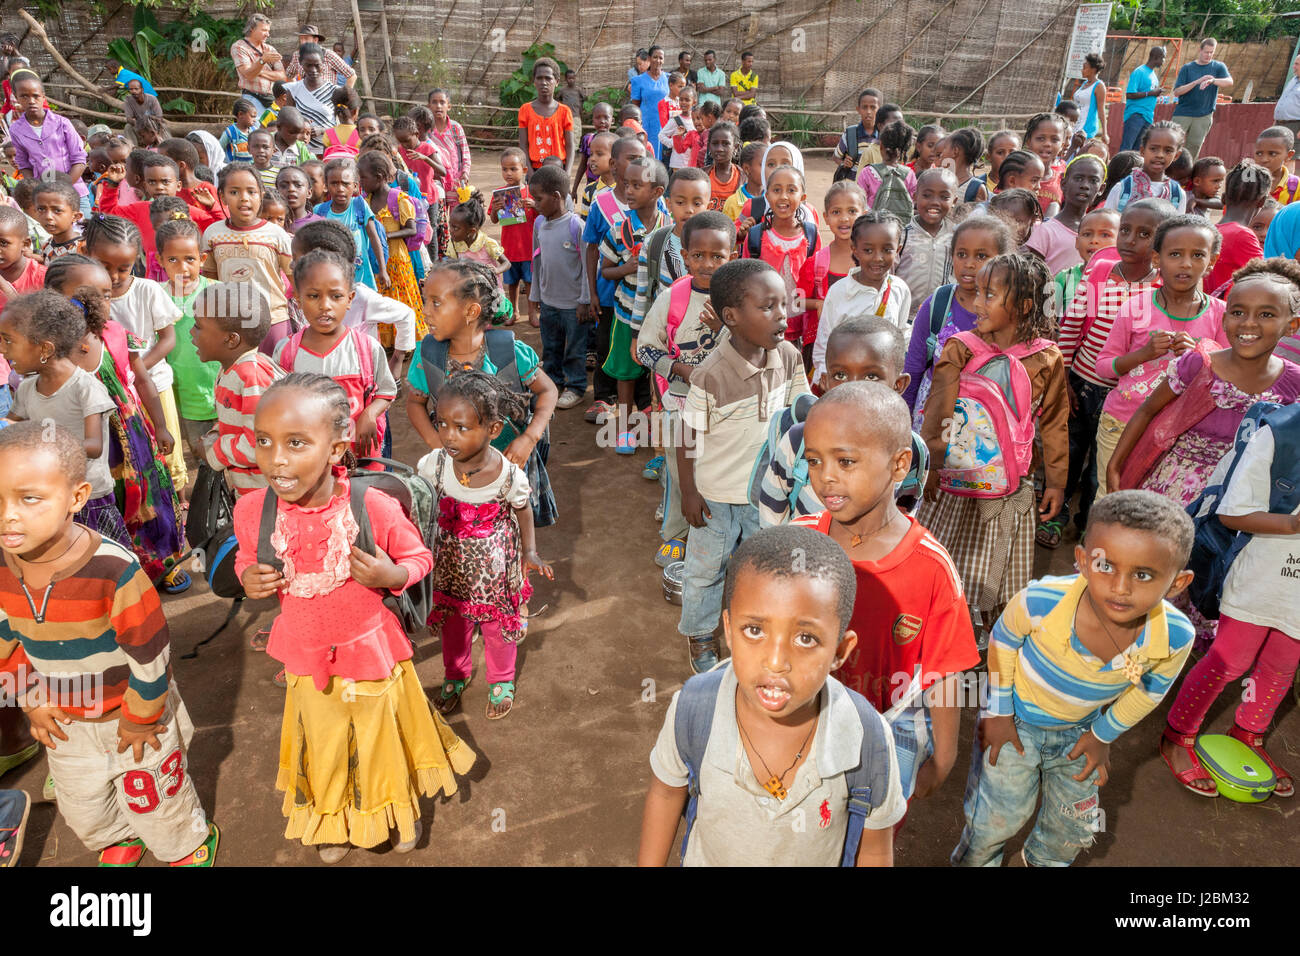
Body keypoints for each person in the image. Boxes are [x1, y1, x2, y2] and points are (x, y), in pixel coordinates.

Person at [234, 373, 473, 862]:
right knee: (323, 744)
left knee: (379, 742)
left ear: (338, 447)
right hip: (305, 657)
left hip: (371, 653)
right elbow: (245, 558)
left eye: (296, 443)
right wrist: (247, 577)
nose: (276, 459)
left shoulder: (372, 507)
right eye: (264, 441)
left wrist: (392, 572)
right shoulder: (253, 509)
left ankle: (397, 814)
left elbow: (420, 558)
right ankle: (335, 821)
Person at [0, 421, 220, 866]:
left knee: (154, 793)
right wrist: (29, 701)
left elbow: (151, 656)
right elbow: (7, 643)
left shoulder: (112, 571)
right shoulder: (3, 569)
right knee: (82, 801)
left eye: (29, 498)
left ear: (76, 498)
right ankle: (118, 837)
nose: (8, 515)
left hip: (132, 710)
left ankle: (187, 842)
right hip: (62, 714)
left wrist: (141, 718)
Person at [637, 523, 905, 866]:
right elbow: (665, 792)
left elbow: (874, 850)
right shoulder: (694, 710)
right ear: (729, 630)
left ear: (840, 651)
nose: (776, 662)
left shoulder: (866, 739)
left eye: (805, 638)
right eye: (754, 630)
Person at [952, 490, 1195, 867]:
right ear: (1082, 561)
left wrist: (1101, 736)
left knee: (1072, 829)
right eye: (1105, 565)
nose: (1120, 587)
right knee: (995, 820)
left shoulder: (1175, 636)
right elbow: (1002, 639)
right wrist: (998, 713)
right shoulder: (1040, 600)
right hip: (1014, 721)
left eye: (1143, 575)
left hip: (1081, 732)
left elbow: (1149, 693)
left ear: (1177, 584)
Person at [795, 381, 976, 805]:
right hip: (803, 722)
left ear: (899, 466)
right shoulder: (796, 544)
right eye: (815, 461)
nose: (826, 478)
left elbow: (943, 673)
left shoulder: (931, 567)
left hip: (888, 730)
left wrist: (945, 757)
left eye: (845, 461)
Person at [1158, 260, 1300, 797]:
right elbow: (1232, 513)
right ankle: (1178, 735)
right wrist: (1293, 524)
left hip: (1296, 588)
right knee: (1230, 656)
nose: (1249, 320)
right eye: (1240, 310)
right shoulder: (1278, 432)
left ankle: (1250, 736)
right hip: (1259, 568)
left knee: (1283, 661)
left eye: (1267, 313)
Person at [917, 253, 1067, 641]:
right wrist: (932, 467)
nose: (977, 302)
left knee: (996, 563)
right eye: (977, 292)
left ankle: (985, 627)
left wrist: (1056, 482)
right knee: (943, 555)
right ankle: (939, 616)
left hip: (1011, 484)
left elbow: (1053, 422)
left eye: (989, 295)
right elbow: (938, 415)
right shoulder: (959, 347)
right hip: (953, 479)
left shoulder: (1047, 358)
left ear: (1025, 306)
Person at [676, 259, 810, 672]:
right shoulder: (710, 375)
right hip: (715, 498)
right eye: (768, 306)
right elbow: (685, 437)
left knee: (763, 570)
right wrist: (689, 494)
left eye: (783, 304)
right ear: (732, 317)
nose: (782, 315)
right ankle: (700, 634)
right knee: (705, 571)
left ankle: (755, 632)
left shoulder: (788, 357)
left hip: (768, 498)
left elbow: (804, 413)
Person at [419, 370, 553, 721]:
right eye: (442, 424)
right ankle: (456, 674)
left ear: (493, 430)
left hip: (496, 570)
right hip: (450, 567)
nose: (448, 435)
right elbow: (421, 507)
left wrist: (529, 552)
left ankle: (501, 679)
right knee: (454, 623)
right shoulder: (432, 466)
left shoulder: (509, 474)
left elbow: (523, 511)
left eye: (461, 427)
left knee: (498, 627)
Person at [45, 256, 186, 586]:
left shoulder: (117, 334)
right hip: (85, 447)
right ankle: (115, 576)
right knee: (99, 509)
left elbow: (142, 381)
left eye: (106, 294)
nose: (98, 303)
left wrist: (162, 425)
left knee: (150, 501)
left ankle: (160, 562)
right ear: (54, 299)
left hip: (134, 441)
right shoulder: (48, 350)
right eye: (85, 295)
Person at [406, 259, 559, 528]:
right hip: (455, 471)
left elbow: (548, 391)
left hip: (508, 468)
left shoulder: (508, 354)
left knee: (511, 529)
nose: (425, 310)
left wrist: (528, 439)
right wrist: (437, 444)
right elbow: (415, 403)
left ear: (471, 311)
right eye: (425, 301)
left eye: (436, 302)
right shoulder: (428, 356)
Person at [1063, 199, 1176, 509]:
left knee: (1105, 463)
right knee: (1071, 449)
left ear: (1162, 242)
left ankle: (1091, 520)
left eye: (1144, 233)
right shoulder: (1099, 270)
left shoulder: (1162, 286)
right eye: (1125, 229)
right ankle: (1056, 513)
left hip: (1124, 393)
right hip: (1083, 382)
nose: (1129, 239)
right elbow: (1073, 323)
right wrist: (1064, 377)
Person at [636, 210, 733, 564]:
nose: (707, 263)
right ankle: (676, 532)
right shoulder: (672, 298)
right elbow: (645, 350)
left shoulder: (737, 300)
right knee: (681, 469)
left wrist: (726, 324)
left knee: (718, 465)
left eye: (717, 256)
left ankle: (715, 528)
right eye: (698, 255)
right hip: (679, 400)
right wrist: (680, 369)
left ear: (731, 257)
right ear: (685, 255)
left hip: (726, 404)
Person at [762, 318, 928, 525]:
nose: (854, 388)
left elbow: (903, 512)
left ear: (898, 384)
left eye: (871, 377)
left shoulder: (911, 449)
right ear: (825, 382)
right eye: (840, 375)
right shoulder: (800, 440)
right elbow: (771, 510)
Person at [0, 290, 125, 546]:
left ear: (45, 348)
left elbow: (93, 446)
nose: (2, 350)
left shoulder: (85, 389)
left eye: (8, 341)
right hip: (48, 497)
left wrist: (38, 445)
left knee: (100, 563)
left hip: (88, 499)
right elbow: (10, 428)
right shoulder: (26, 388)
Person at [902, 216, 1015, 417]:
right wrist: (903, 419)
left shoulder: (1009, 312)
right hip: (932, 415)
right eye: (961, 254)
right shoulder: (938, 303)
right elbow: (913, 367)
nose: (969, 264)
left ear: (1002, 260)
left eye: (981, 256)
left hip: (984, 422)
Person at [600, 155, 667, 452]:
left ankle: (655, 428)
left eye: (637, 185)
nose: (628, 190)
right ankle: (626, 429)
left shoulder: (671, 229)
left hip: (664, 317)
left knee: (660, 374)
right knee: (626, 375)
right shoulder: (618, 230)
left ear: (657, 192)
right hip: (627, 314)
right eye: (627, 183)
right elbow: (605, 270)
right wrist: (626, 268)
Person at [192, 281, 282, 497]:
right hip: (249, 489)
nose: (191, 332)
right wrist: (216, 432)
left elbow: (259, 444)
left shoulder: (251, 377)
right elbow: (240, 420)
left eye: (198, 326)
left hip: (266, 496)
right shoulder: (234, 369)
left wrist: (214, 451)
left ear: (231, 339)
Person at [203, 165, 295, 356]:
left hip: (273, 320)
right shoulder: (213, 234)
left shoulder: (276, 235)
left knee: (275, 377)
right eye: (234, 192)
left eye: (251, 192)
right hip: (232, 323)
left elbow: (294, 277)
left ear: (261, 195)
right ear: (222, 196)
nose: (244, 198)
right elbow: (211, 282)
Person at [811, 212, 909, 378]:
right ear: (855, 250)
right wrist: (825, 378)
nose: (878, 258)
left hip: (881, 383)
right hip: (846, 382)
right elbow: (824, 343)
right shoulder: (839, 292)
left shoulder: (900, 289)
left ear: (898, 250)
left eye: (887, 250)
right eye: (868, 250)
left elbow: (900, 336)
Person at [154, 217, 219, 462]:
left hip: (218, 387)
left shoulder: (217, 291)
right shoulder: (155, 296)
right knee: (200, 452)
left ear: (202, 259)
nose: (182, 267)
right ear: (160, 260)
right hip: (183, 393)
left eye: (190, 259)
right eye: (173, 259)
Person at [528, 164, 591, 409]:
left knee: (575, 349)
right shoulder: (539, 224)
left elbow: (587, 267)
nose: (535, 203)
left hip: (573, 305)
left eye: (538, 198)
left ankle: (575, 386)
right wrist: (535, 297)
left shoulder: (577, 226)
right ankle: (552, 384)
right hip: (549, 301)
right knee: (551, 348)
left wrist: (584, 301)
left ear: (556, 197)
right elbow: (538, 261)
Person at [357, 151, 423, 332]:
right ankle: (387, 341)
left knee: (401, 301)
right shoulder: (365, 201)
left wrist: (383, 236)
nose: (360, 182)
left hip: (398, 262)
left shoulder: (398, 199)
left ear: (378, 177)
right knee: (382, 302)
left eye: (363, 178)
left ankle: (406, 339)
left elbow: (412, 229)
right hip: (377, 263)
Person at [8, 72, 89, 212]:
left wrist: (65, 187)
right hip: (44, 199)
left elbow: (79, 159)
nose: (31, 101)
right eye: (24, 96)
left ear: (43, 96)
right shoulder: (16, 129)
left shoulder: (62, 123)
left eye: (35, 96)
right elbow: (23, 163)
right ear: (16, 97)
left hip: (75, 193)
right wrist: (34, 187)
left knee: (84, 229)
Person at [1025, 154, 1107, 274]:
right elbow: (1032, 276)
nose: (1085, 185)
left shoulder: (1101, 233)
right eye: (1078, 178)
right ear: (1063, 184)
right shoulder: (1046, 230)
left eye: (1093, 180)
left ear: (1101, 189)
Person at [897, 168, 957, 319]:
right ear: (915, 196)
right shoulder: (902, 235)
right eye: (927, 195)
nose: (935, 202)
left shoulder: (956, 237)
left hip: (940, 316)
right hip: (904, 316)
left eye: (944, 197)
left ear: (954, 201)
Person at [1205, 160, 1269, 294]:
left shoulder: (1210, 230)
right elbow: (1268, 277)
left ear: (1223, 199)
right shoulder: (1242, 235)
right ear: (1262, 201)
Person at [490, 147, 536, 323]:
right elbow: (494, 220)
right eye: (504, 169)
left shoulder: (531, 193)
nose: (508, 173)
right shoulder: (499, 194)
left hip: (528, 247)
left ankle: (532, 313)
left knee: (530, 282)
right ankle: (514, 311)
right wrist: (495, 209)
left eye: (513, 169)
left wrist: (534, 205)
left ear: (524, 170)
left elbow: (541, 217)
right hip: (509, 248)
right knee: (512, 282)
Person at [1104, 121, 1187, 213]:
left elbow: (1177, 226)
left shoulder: (1178, 195)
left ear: (1176, 155)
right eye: (1153, 149)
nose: (1160, 155)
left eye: (1168, 150)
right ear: (1142, 151)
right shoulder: (1122, 189)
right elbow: (1108, 223)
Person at [1171, 38, 1232, 159]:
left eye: (1211, 52)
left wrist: (1213, 81)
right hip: (1183, 112)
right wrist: (1196, 82)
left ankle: (1188, 173)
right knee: (1173, 143)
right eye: (1206, 52)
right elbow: (1177, 91)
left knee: (1194, 147)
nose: (1208, 55)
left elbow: (1229, 82)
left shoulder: (1218, 67)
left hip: (1204, 114)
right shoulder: (1187, 68)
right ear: (1200, 50)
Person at [517, 57, 575, 173]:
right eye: (539, 78)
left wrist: (567, 174)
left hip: (559, 169)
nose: (543, 82)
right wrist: (530, 173)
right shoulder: (525, 110)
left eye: (548, 78)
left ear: (557, 81)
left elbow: (570, 146)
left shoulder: (565, 111)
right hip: (534, 169)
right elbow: (523, 145)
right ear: (534, 81)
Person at [285, 43, 337, 156]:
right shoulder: (293, 90)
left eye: (317, 65)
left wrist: (323, 130)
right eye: (308, 65)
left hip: (328, 151)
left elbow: (344, 126)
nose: (313, 70)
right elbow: (287, 122)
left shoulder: (334, 91)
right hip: (300, 152)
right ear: (301, 64)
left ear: (323, 64)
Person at [231, 13, 286, 109]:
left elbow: (282, 77)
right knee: (255, 124)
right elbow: (249, 75)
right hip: (251, 97)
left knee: (275, 124)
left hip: (272, 98)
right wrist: (262, 60)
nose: (267, 34)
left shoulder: (270, 48)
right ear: (252, 29)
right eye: (264, 30)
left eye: (268, 31)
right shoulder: (239, 47)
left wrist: (258, 71)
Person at [1122, 46, 1167, 152]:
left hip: (1147, 117)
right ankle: (1121, 168)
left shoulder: (1154, 76)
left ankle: (1133, 169)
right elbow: (1130, 94)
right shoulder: (1139, 72)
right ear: (1156, 57)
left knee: (1138, 150)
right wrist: (1150, 93)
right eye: (1163, 58)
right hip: (1136, 115)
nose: (1164, 61)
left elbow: (1149, 93)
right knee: (1127, 148)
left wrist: (1155, 94)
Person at [1023, 112, 1069, 216]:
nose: (1047, 144)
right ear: (1028, 142)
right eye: (1040, 138)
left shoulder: (1064, 177)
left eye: (1054, 140)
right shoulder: (1017, 174)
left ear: (1062, 145)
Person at [283, 24, 356, 88]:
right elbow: (289, 75)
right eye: (301, 39)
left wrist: (344, 96)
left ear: (315, 40)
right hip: (306, 101)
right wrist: (295, 93)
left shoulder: (328, 55)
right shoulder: (297, 55)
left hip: (327, 100)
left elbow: (352, 76)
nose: (302, 42)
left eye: (306, 39)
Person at [630, 47, 671, 156]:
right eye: (655, 57)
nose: (658, 60)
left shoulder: (669, 79)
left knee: (665, 158)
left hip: (666, 125)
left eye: (661, 58)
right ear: (649, 58)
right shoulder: (638, 81)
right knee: (647, 155)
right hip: (647, 125)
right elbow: (635, 106)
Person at [32, 180, 83, 263]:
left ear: (75, 216)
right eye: (41, 209)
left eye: (57, 210)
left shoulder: (82, 249)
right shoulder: (48, 244)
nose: (48, 216)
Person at [1066, 53, 1108, 146]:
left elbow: (1101, 111)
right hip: (1076, 124)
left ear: (1093, 70)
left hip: (1087, 127)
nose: (1082, 70)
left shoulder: (1099, 86)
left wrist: (1104, 133)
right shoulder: (1084, 83)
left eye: (1085, 67)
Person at [1253, 126, 1299, 206]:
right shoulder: (1245, 182)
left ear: (1289, 155)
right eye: (1259, 153)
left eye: (1272, 154)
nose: (1264, 159)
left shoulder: (1297, 187)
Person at [1275, 54, 1300, 138]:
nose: (1294, 67)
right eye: (1294, 64)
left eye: (1297, 64)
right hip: (1279, 124)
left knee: (1293, 151)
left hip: (1294, 126)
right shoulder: (1293, 80)